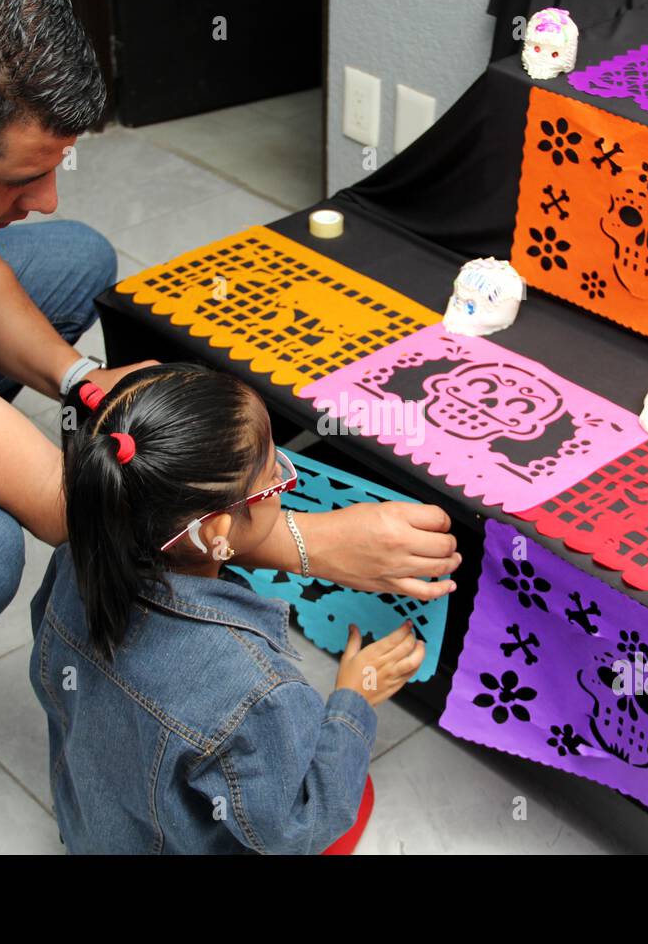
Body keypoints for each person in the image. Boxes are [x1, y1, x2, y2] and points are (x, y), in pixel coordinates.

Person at [0, 0, 459, 779]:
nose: (44, 199)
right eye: (16, 181)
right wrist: (307, 542)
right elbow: (59, 504)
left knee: (73, 256)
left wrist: (80, 379)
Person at [32, 365, 427, 853]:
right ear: (215, 533)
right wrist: (352, 701)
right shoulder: (256, 690)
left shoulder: (70, 564)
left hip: (90, 834)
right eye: (272, 477)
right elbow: (296, 829)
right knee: (350, 795)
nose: (284, 479)